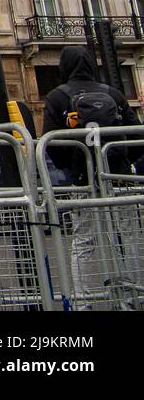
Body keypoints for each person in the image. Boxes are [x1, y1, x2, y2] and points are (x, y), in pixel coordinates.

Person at [41, 46, 140, 308]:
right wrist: (123, 160)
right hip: (119, 180)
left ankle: (83, 302)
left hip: (83, 182)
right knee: (128, 239)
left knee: (83, 242)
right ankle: (132, 298)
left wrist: (72, 169)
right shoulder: (113, 93)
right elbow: (137, 134)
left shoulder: (57, 97)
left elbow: (50, 142)